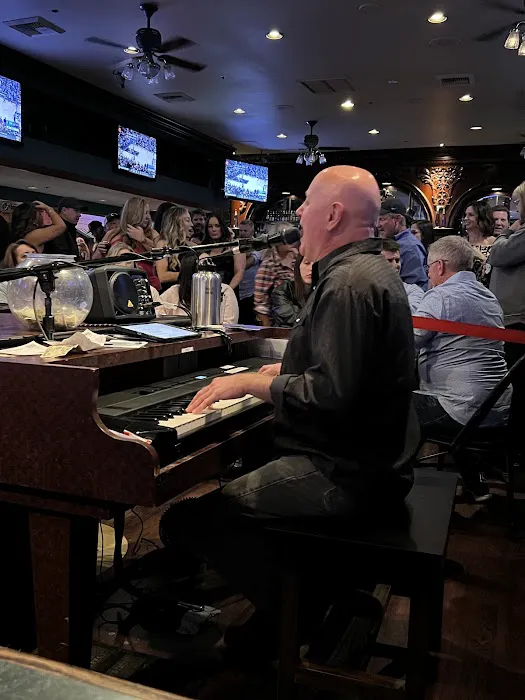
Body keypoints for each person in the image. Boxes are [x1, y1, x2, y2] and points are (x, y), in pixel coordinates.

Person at [160, 166, 418, 662]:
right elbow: (343, 369)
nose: (298, 212)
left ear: (334, 213)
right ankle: (295, 597)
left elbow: (329, 394)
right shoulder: (369, 272)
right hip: (377, 458)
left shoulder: (347, 284)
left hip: (347, 473)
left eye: (305, 203)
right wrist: (283, 368)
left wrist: (246, 382)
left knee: (191, 519)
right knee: (244, 469)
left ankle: (301, 612)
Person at [414, 236, 511, 502]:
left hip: (462, 414)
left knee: (390, 405)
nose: (428, 272)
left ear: (440, 266)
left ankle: (394, 489)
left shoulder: (441, 297)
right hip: (499, 410)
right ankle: (476, 484)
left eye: (429, 266)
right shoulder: (489, 297)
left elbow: (407, 341)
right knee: (454, 394)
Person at [96, 197, 162, 289]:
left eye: (149, 213)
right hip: (115, 284)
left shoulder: (152, 234)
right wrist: (99, 250)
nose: (148, 217)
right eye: (145, 213)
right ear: (134, 214)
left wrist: (143, 239)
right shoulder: (112, 234)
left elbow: (162, 257)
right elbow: (94, 261)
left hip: (146, 285)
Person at [157, 252, 238, 323]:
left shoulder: (225, 291)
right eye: (204, 266)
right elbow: (157, 313)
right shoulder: (175, 291)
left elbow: (228, 326)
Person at [378, 198, 428, 289]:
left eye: (382, 219)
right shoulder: (396, 242)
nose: (378, 224)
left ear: (397, 219)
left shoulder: (410, 247)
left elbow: (417, 286)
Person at [254, 226, 298, 326]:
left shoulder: (299, 259)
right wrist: (268, 332)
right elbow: (261, 306)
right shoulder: (268, 265)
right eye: (287, 237)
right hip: (280, 324)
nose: (291, 240)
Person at [201, 214, 246, 291]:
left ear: (223, 227)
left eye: (217, 226)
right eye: (210, 226)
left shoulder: (234, 246)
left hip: (228, 292)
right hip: (207, 292)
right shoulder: (204, 248)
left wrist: (225, 292)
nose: (213, 229)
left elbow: (239, 273)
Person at [380, 239, 424, 313]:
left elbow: (407, 315)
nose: (395, 265)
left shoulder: (413, 291)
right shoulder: (365, 291)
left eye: (397, 260)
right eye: (389, 261)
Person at [156, 206, 194, 290]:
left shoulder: (191, 246)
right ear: (177, 223)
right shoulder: (162, 244)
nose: (192, 224)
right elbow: (162, 276)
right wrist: (190, 275)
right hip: (171, 294)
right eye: (187, 220)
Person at [270, 254, 312, 327]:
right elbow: (294, 318)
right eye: (307, 263)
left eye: (316, 265)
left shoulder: (326, 289)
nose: (311, 268)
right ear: (298, 266)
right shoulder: (282, 291)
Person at [463, 200, 495, 285]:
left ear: (482, 218)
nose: (466, 218)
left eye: (470, 215)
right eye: (465, 215)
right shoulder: (461, 243)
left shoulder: (495, 243)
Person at [237, 218, 261, 324]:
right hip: (238, 291)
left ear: (252, 232)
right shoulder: (235, 245)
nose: (242, 233)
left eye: (245, 231)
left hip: (251, 293)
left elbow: (244, 266)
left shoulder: (258, 246)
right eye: (240, 230)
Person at [0, 239, 37, 304]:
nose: (33, 258)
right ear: (15, 263)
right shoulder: (4, 286)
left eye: (34, 253)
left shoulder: (47, 282)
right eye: (24, 256)